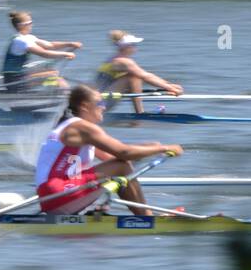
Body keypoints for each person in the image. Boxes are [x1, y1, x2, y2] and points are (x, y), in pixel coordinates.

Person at [35, 84, 183, 215]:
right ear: (85, 106)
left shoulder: (72, 127)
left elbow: (116, 157)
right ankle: (147, 218)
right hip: (57, 194)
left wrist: (148, 148)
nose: (104, 107)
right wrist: (164, 148)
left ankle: (139, 214)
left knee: (120, 166)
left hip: (51, 196)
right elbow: (124, 154)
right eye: (100, 102)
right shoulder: (82, 128)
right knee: (121, 167)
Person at [93, 31, 184, 113]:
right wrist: (170, 87)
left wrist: (168, 85)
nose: (135, 47)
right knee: (133, 77)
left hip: (99, 100)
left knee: (134, 77)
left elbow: (148, 75)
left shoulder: (114, 59)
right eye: (133, 45)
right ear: (125, 47)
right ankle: (140, 113)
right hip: (101, 102)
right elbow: (146, 76)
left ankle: (139, 112)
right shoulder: (123, 61)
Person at [2, 10, 82, 91]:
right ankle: (66, 96)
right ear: (20, 26)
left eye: (31, 22)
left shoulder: (29, 37)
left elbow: (50, 45)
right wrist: (66, 54)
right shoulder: (20, 41)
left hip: (18, 77)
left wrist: (70, 44)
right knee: (53, 75)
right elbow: (44, 53)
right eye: (29, 23)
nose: (32, 25)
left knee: (50, 71)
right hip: (13, 82)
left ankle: (55, 93)